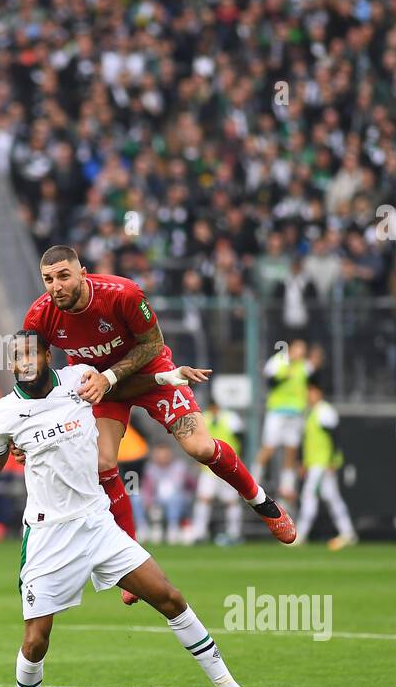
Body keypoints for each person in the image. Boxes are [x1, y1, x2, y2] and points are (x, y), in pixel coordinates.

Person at [0, 330, 285, 687]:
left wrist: (168, 378)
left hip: (97, 523)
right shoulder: (4, 414)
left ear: (46, 355)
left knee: (169, 597)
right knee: (36, 640)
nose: (26, 362)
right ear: (12, 364)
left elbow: (127, 386)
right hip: (48, 534)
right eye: (18, 357)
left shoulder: (79, 380)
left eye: (33, 353)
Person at [22, 245, 295, 607]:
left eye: (63, 276)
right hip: (100, 387)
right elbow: (31, 374)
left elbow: (154, 344)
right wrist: (26, 428)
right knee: (103, 463)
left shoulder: (123, 294)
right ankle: (131, 560)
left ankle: (261, 502)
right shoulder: (39, 317)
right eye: (48, 279)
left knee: (199, 448)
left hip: (150, 374)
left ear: (82, 272)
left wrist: (109, 376)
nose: (55, 286)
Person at [296, 379, 358, 550]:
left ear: (319, 393)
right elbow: (307, 441)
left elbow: (335, 436)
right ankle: (348, 532)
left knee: (309, 495)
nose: (309, 395)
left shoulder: (325, 411)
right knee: (332, 498)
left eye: (312, 392)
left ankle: (300, 534)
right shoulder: (310, 412)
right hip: (314, 463)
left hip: (322, 463)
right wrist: (303, 462)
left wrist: (334, 460)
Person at [255, 338, 312, 503]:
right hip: (278, 411)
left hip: (296, 413)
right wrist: (285, 374)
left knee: (291, 450)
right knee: (269, 447)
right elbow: (270, 381)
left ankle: (287, 486)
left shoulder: (305, 367)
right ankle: (253, 479)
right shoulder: (278, 361)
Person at [192, 400, 245, 545]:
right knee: (204, 498)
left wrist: (238, 458)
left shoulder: (230, 418)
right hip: (208, 468)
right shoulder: (204, 418)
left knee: (231, 501)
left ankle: (234, 533)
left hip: (227, 466)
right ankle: (199, 533)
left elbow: (241, 438)